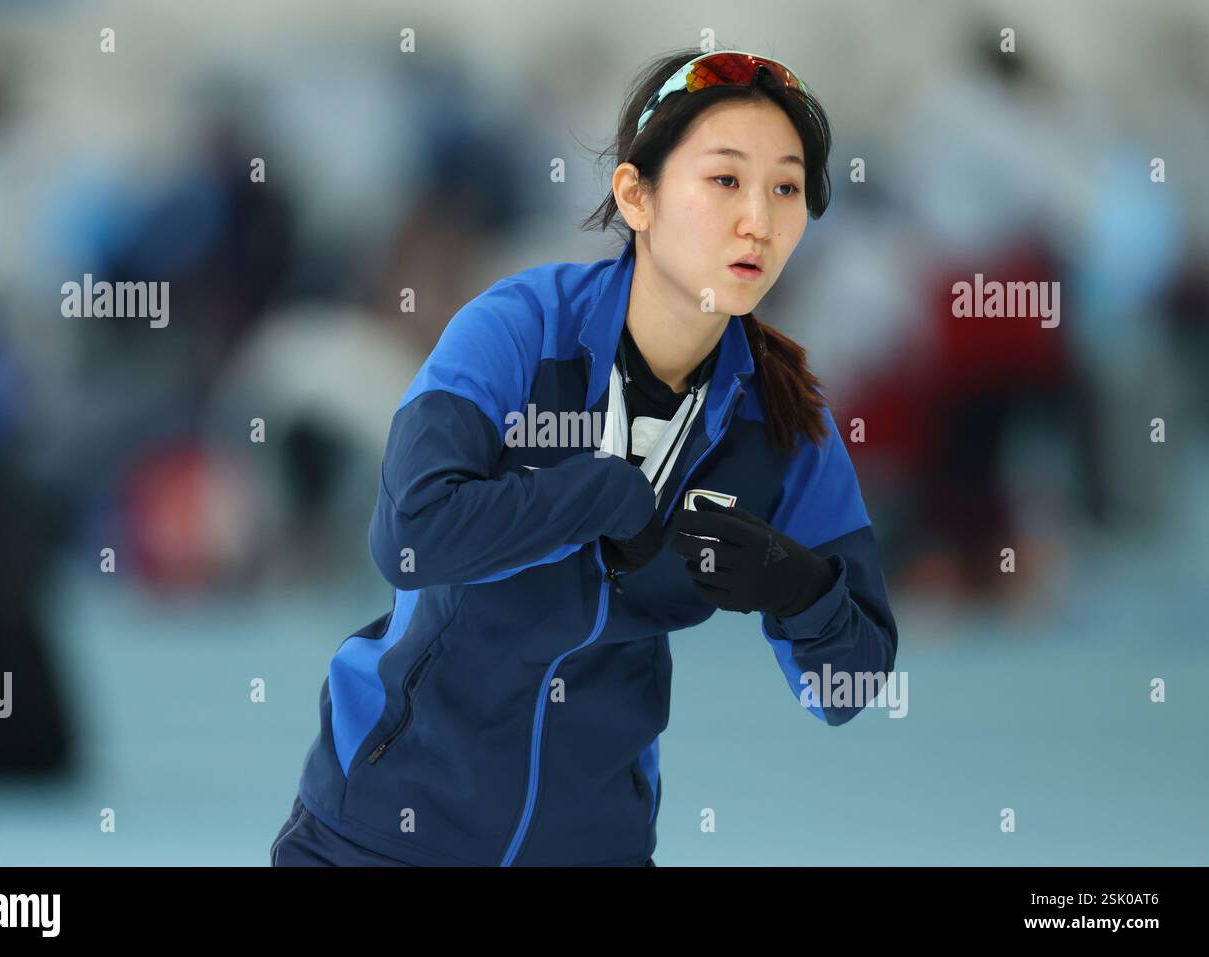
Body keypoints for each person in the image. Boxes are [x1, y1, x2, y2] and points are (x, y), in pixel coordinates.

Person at [272, 47, 899, 867]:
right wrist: (601, 495)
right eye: (724, 181)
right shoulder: (517, 329)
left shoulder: (784, 424)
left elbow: (845, 690)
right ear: (636, 195)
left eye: (786, 187)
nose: (759, 219)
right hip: (380, 834)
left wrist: (798, 585)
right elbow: (410, 537)